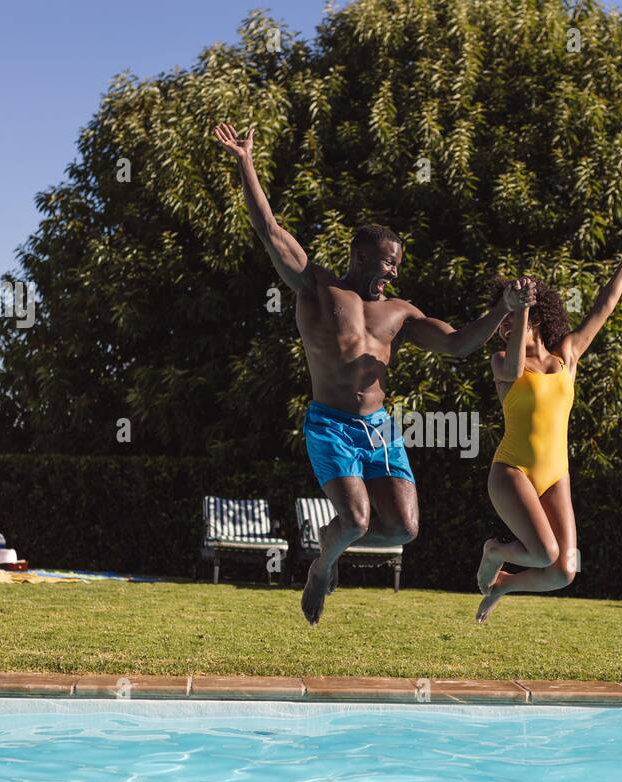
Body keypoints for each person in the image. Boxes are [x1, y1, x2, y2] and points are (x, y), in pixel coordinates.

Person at [212, 122, 533, 624]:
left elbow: (456, 345)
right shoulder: (316, 287)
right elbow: (269, 230)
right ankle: (323, 564)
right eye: (388, 263)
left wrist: (502, 311)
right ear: (361, 257)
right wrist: (245, 160)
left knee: (405, 528)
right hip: (330, 425)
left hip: (380, 430)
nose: (395, 272)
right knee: (358, 520)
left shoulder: (400, 313)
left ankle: (330, 543)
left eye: (398, 265)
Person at [475, 229, 622, 621]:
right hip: (512, 470)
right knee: (543, 552)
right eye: (503, 314)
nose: (505, 321)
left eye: (515, 312)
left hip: (556, 474)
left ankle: (503, 583)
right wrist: (517, 310)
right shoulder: (501, 360)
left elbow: (604, 307)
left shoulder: (567, 355)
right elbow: (516, 369)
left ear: (539, 314)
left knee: (564, 570)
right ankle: (494, 550)